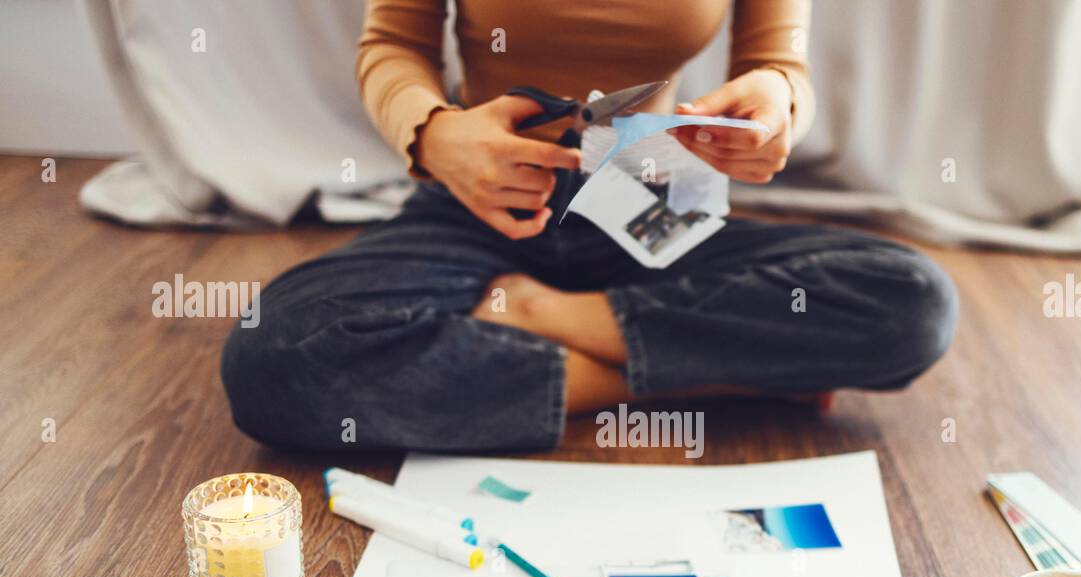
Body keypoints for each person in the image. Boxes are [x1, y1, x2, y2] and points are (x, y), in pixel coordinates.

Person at [221, 0, 958, 452]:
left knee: (913, 303)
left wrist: (776, 108)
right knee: (271, 359)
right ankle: (712, 374)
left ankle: (545, 316)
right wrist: (436, 135)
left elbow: (778, 65)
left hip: (651, 197)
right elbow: (391, 47)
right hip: (483, 204)